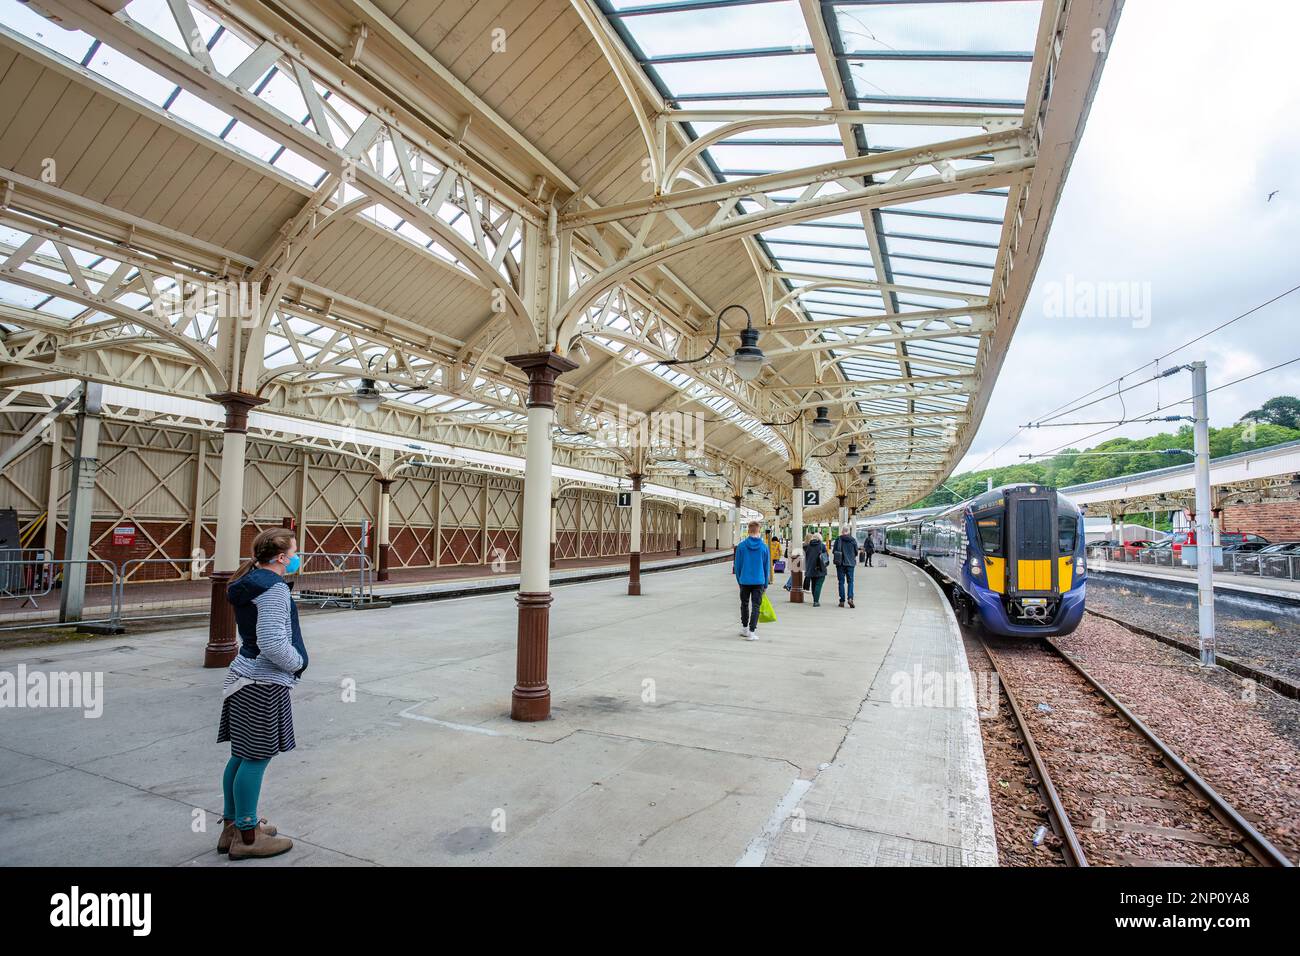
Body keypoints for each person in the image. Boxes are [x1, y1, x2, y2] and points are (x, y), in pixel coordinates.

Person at [216, 527, 307, 860]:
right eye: (295, 552)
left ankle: (234, 827)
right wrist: (296, 662)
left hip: (242, 675)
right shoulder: (273, 590)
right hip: (262, 682)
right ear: (282, 558)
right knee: (256, 758)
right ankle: (248, 837)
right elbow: (271, 642)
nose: (298, 557)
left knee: (240, 755)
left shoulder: (250, 582)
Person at [733, 520, 771, 640]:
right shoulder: (764, 547)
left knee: (744, 605)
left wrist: (740, 580)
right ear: (759, 531)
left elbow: (737, 566)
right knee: (756, 606)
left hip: (744, 581)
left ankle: (744, 628)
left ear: (748, 530)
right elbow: (766, 567)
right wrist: (765, 584)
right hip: (759, 581)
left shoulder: (741, 546)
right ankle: (752, 632)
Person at [833, 527, 859, 608]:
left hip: (840, 564)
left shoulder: (838, 539)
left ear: (842, 532)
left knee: (841, 582)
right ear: (848, 532)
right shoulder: (853, 540)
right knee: (850, 582)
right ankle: (850, 598)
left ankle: (842, 601)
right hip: (850, 564)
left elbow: (834, 551)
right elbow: (856, 552)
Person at [802, 532, 829, 607]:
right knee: (818, 584)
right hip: (820, 568)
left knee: (814, 584)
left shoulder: (808, 546)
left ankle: (815, 599)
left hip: (811, 568)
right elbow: (826, 557)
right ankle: (816, 601)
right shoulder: (822, 546)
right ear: (820, 538)